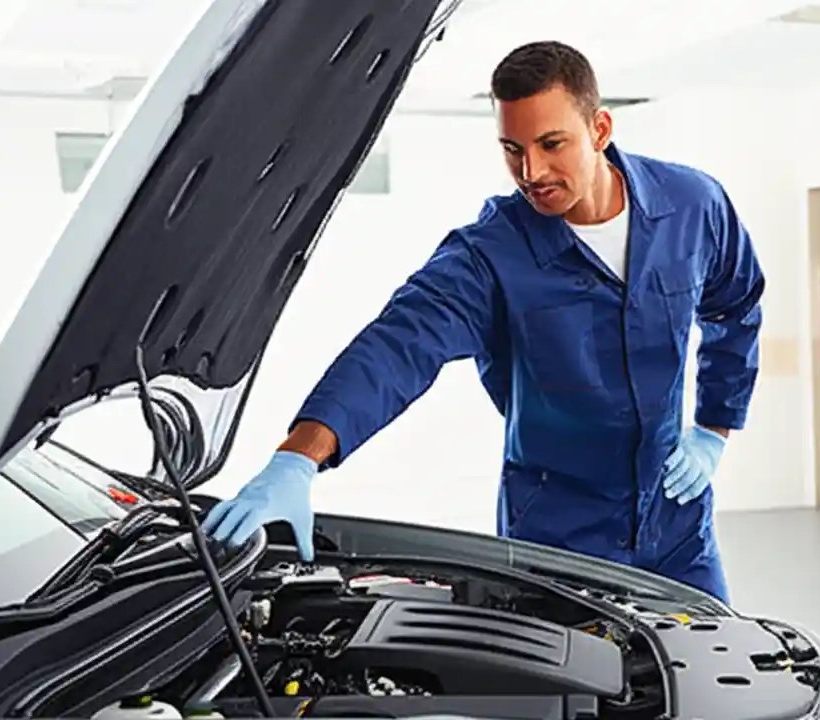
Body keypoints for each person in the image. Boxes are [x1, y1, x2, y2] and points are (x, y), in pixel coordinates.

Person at [201, 40, 765, 603]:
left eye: (551, 144)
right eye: (512, 149)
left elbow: (736, 305)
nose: (531, 171)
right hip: (557, 539)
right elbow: (398, 347)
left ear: (600, 129)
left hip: (676, 527)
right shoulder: (491, 255)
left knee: (713, 670)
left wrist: (713, 428)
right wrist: (296, 459)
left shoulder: (692, 206)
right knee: (570, 688)